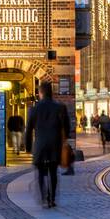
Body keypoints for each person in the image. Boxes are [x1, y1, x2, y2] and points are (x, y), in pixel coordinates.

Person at [24, 80, 70, 208]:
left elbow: (28, 130)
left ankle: (43, 197)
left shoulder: (34, 109)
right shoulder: (60, 107)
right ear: (52, 92)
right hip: (55, 145)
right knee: (53, 172)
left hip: (40, 145)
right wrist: (65, 140)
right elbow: (67, 127)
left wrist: (28, 147)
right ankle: (52, 198)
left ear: (40, 93)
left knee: (40, 173)